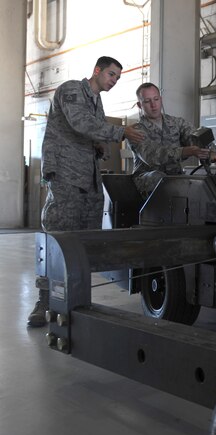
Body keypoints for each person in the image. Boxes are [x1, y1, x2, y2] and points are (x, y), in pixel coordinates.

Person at [27, 56, 145, 327]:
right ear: (97, 71)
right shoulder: (71, 90)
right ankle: (44, 300)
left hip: (89, 177)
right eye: (111, 74)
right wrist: (119, 132)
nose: (114, 80)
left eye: (117, 77)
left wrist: (99, 146)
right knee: (57, 237)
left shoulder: (97, 101)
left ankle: (75, 299)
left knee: (84, 241)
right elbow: (79, 123)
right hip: (67, 175)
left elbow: (90, 134)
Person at [130, 82, 216, 196]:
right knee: (159, 178)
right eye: (147, 101)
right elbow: (152, 156)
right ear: (140, 105)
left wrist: (211, 152)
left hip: (175, 177)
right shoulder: (135, 130)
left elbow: (194, 136)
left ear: (161, 99)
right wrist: (186, 151)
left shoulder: (177, 123)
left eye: (156, 99)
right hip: (147, 180)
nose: (153, 105)